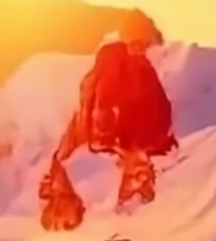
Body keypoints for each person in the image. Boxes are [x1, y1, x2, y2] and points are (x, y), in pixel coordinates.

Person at [38, 34, 177, 229]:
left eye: (63, 221)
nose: (70, 221)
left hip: (115, 122)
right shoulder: (88, 193)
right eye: (68, 224)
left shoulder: (66, 173)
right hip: (126, 130)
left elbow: (78, 134)